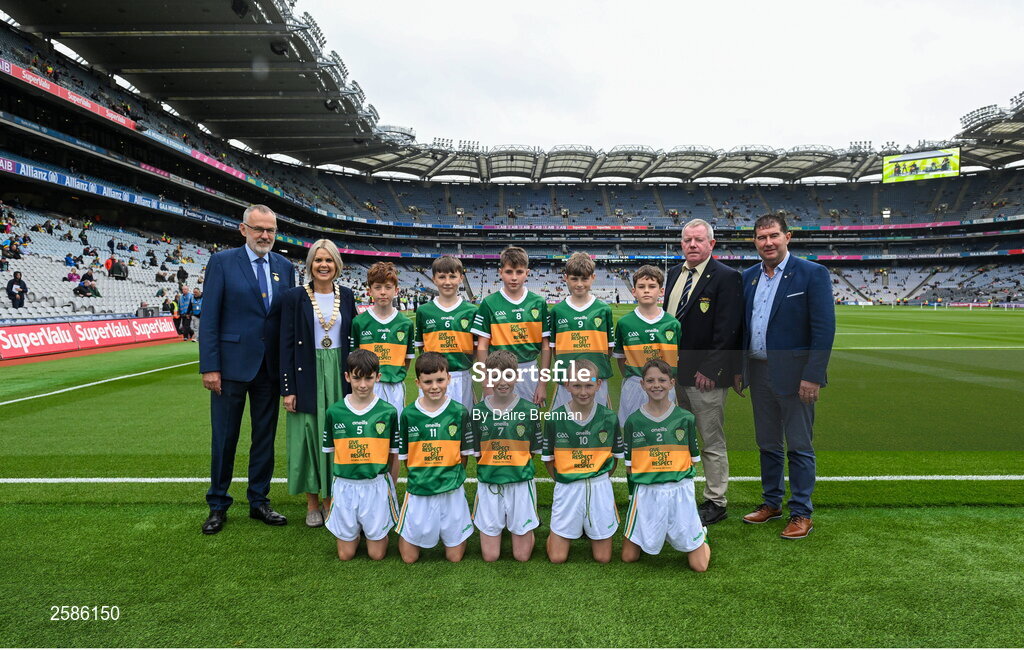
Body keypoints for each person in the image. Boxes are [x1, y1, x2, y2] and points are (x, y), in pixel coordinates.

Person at [735, 214, 835, 540]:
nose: (768, 242)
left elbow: (823, 329)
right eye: (762, 237)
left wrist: (813, 376)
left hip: (796, 377)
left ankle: (801, 512)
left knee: (799, 446)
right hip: (759, 371)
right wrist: (738, 368)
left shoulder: (811, 274)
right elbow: (742, 329)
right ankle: (771, 502)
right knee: (767, 444)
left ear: (787, 237)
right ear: (755, 241)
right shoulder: (748, 276)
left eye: (774, 235)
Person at [198, 204, 296, 535]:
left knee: (264, 439)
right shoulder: (223, 262)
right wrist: (210, 366)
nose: (265, 235)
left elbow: (286, 322)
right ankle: (218, 504)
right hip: (229, 368)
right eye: (258, 229)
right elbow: (209, 317)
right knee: (224, 439)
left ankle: (259, 500)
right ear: (244, 230)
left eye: (270, 230)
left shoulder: (285, 266)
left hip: (269, 368)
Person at [662, 218, 743, 526]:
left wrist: (712, 368)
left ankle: (715, 500)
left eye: (698, 240)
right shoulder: (673, 273)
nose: (692, 245)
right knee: (679, 437)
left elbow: (728, 329)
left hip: (704, 376)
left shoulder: (726, 277)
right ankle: (681, 491)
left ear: (712, 244)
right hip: (672, 373)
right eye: (687, 240)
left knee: (710, 440)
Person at [279, 240, 357, 527]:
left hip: (339, 372)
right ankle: (313, 503)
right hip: (307, 372)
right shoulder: (294, 297)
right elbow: (285, 344)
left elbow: (354, 339)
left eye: (329, 260)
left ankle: (334, 499)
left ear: (337, 264)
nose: (323, 265)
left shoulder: (346, 296)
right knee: (309, 438)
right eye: (317, 260)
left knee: (338, 436)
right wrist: (288, 388)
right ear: (310, 264)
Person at [621, 359, 710, 571]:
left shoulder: (685, 418)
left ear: (671, 383)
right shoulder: (634, 421)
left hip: (678, 492)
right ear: (642, 384)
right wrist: (634, 495)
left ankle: (700, 533)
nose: (656, 385)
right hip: (647, 492)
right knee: (628, 557)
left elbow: (693, 462)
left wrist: (684, 496)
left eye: (662, 380)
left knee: (699, 566)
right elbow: (629, 466)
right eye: (650, 380)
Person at [321, 349, 400, 561]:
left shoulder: (388, 412)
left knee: (377, 555)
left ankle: (372, 528)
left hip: (375, 485)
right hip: (346, 486)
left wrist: (389, 489)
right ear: (347, 377)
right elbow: (331, 454)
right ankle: (355, 530)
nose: (362, 384)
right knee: (345, 555)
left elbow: (393, 457)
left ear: (378, 377)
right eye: (356, 378)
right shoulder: (335, 412)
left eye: (368, 378)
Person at [395, 352, 474, 563]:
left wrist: (452, 477)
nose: (435, 386)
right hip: (420, 490)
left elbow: (463, 455)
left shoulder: (459, 412)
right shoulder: (409, 414)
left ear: (448, 378)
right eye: (428, 381)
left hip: (451, 490)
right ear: (418, 382)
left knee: (455, 557)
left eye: (440, 380)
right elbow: (406, 458)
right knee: (409, 558)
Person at [543, 358, 621, 564]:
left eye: (588, 385)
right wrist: (566, 479)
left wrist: (598, 476)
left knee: (603, 558)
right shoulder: (554, 418)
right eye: (577, 385)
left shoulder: (609, 418)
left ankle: (588, 527)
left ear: (598, 384)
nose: (583, 391)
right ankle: (558, 532)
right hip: (568, 488)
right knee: (557, 558)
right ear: (566, 385)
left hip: (599, 488)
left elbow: (614, 460)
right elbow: (549, 460)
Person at [470, 350, 543, 562]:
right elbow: (478, 453)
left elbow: (531, 451)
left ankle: (525, 527)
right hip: (490, 484)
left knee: (522, 556)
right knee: (490, 556)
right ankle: (503, 527)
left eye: (508, 376)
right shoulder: (478, 412)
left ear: (517, 377)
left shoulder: (529, 410)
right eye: (495, 376)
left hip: (520, 484)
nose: (502, 382)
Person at [472, 246, 550, 405]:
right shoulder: (489, 303)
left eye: (519, 272)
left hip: (528, 372)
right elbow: (482, 346)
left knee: (527, 421)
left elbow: (545, 346)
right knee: (495, 423)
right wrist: (486, 382)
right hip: (498, 372)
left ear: (527, 273)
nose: (514, 277)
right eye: (509, 272)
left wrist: (542, 384)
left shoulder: (538, 302)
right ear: (501, 272)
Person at [614, 265, 681, 426]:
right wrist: (634, 376)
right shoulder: (625, 323)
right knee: (632, 432)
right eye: (641, 287)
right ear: (634, 291)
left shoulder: (673, 323)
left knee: (663, 431)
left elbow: (677, 358)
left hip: (665, 386)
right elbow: (621, 359)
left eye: (652, 286)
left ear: (661, 291)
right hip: (635, 384)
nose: (646, 291)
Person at [548, 252, 615, 410]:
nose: (579, 284)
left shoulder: (603, 309)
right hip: (567, 381)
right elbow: (554, 349)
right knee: (564, 425)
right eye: (574, 279)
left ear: (593, 277)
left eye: (584, 279)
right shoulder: (558, 310)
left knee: (599, 425)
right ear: (566, 278)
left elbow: (609, 348)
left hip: (596, 380)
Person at [350, 262, 415, 416]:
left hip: (395, 387)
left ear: (396, 290)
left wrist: (394, 375)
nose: (383, 292)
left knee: (395, 433)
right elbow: (353, 360)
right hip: (367, 386)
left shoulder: (405, 324)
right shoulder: (359, 322)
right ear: (369, 291)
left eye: (388, 287)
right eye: (378, 287)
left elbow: (407, 360)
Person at [414, 255, 477, 409]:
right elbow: (422, 348)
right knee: (431, 422)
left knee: (462, 424)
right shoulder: (424, 311)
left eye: (452, 276)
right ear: (434, 279)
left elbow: (476, 347)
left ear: (461, 278)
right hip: (432, 378)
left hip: (461, 377)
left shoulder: (472, 311)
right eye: (442, 277)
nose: (447, 282)